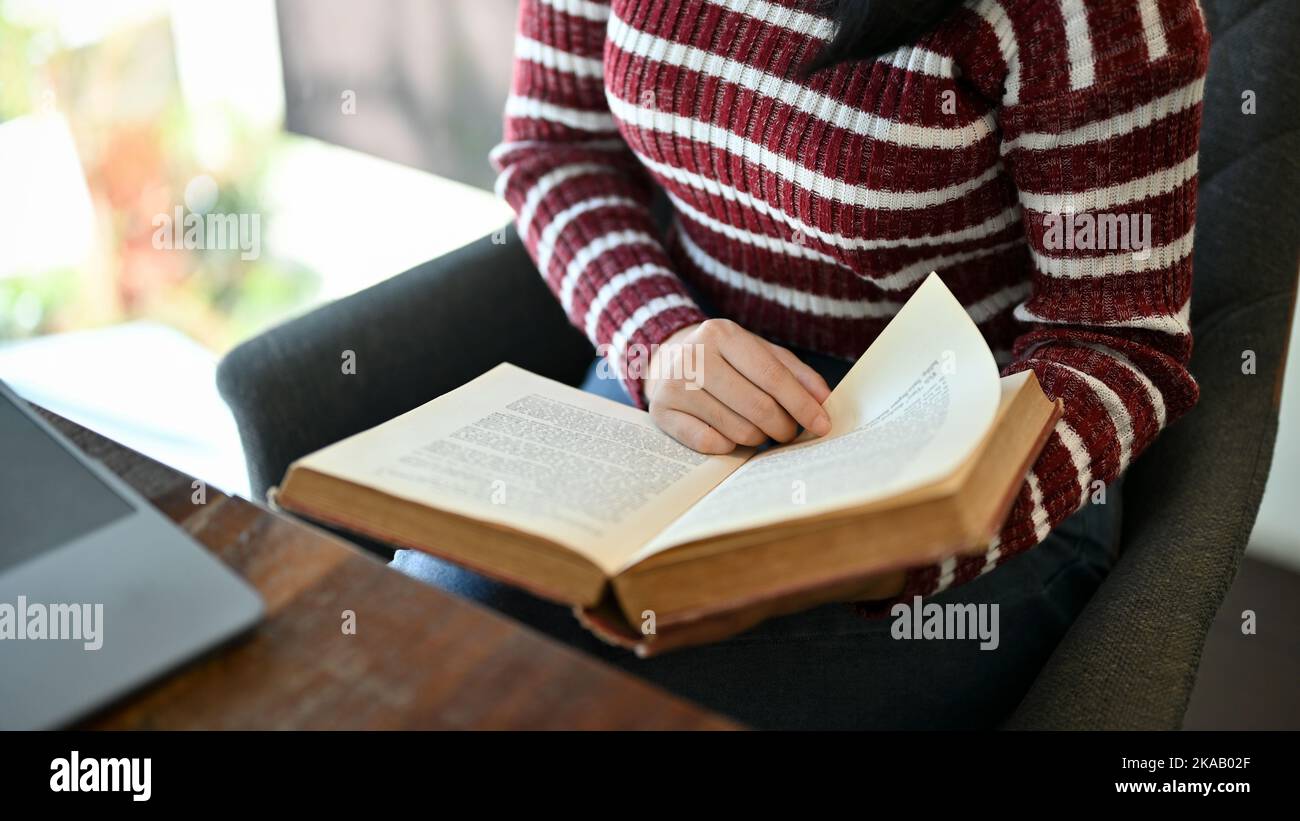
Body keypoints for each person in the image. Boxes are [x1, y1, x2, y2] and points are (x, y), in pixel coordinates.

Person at [392, 0, 1208, 729]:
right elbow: (554, 150)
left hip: (972, 474)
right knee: (428, 607)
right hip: (685, 383)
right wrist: (658, 340)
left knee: (500, 676)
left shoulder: (1093, 17)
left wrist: (909, 541)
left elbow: (1122, 340)